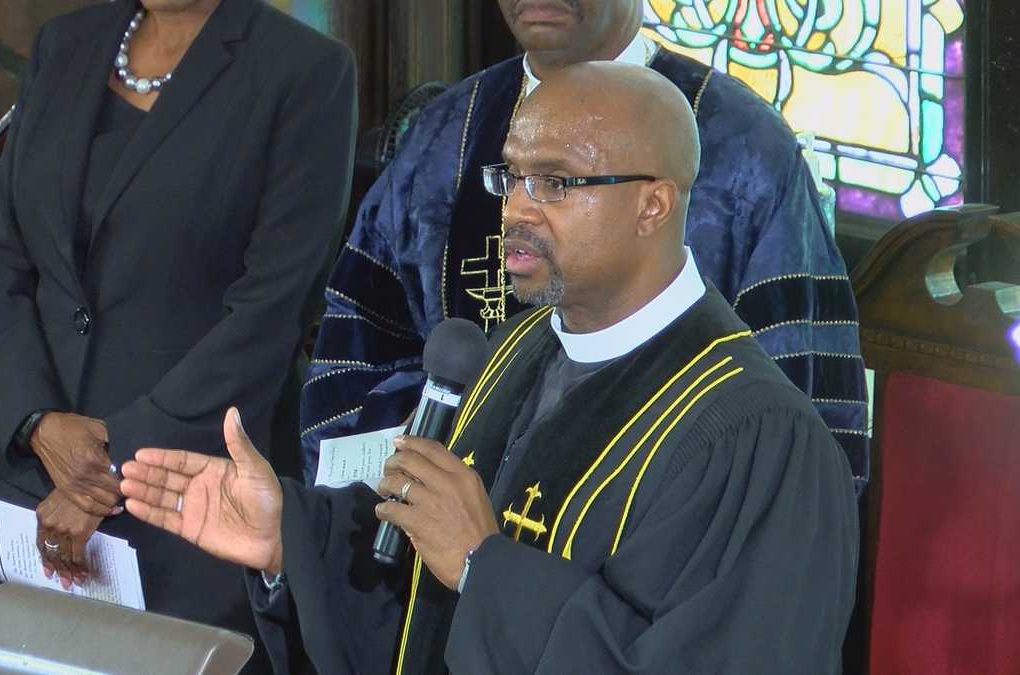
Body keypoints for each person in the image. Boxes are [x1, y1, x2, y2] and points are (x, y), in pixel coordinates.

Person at [120, 63, 859, 674]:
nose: (517, 210)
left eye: (556, 182)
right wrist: (291, 536)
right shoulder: (514, 348)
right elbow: (415, 599)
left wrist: (483, 566)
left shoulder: (759, 440)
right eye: (511, 177)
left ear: (653, 206)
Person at [301, 0, 869, 494]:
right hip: (429, 527)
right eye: (514, 178)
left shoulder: (744, 149)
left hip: (651, 533)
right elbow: (359, 350)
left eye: (554, 181)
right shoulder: (446, 132)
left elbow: (795, 407)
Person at [0, 0, 355, 669]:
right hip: (39, 487)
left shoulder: (306, 70)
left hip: (193, 504)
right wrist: (36, 422)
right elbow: (2, 264)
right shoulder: (65, 43)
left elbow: (271, 310)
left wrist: (111, 463)